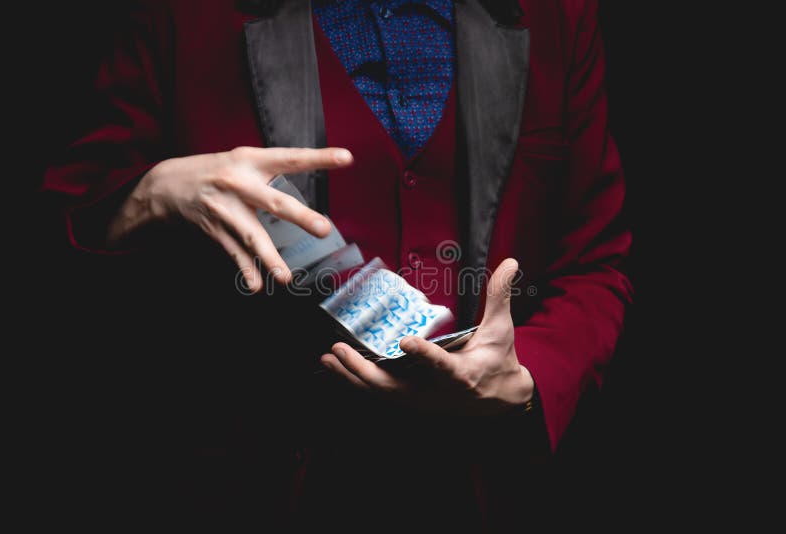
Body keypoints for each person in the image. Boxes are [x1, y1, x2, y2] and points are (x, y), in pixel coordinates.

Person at [43, 0, 631, 531]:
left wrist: (531, 379)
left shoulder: (558, 14)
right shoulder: (179, 15)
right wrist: (150, 194)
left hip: (485, 494)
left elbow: (596, 261)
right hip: (239, 487)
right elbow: (50, 242)